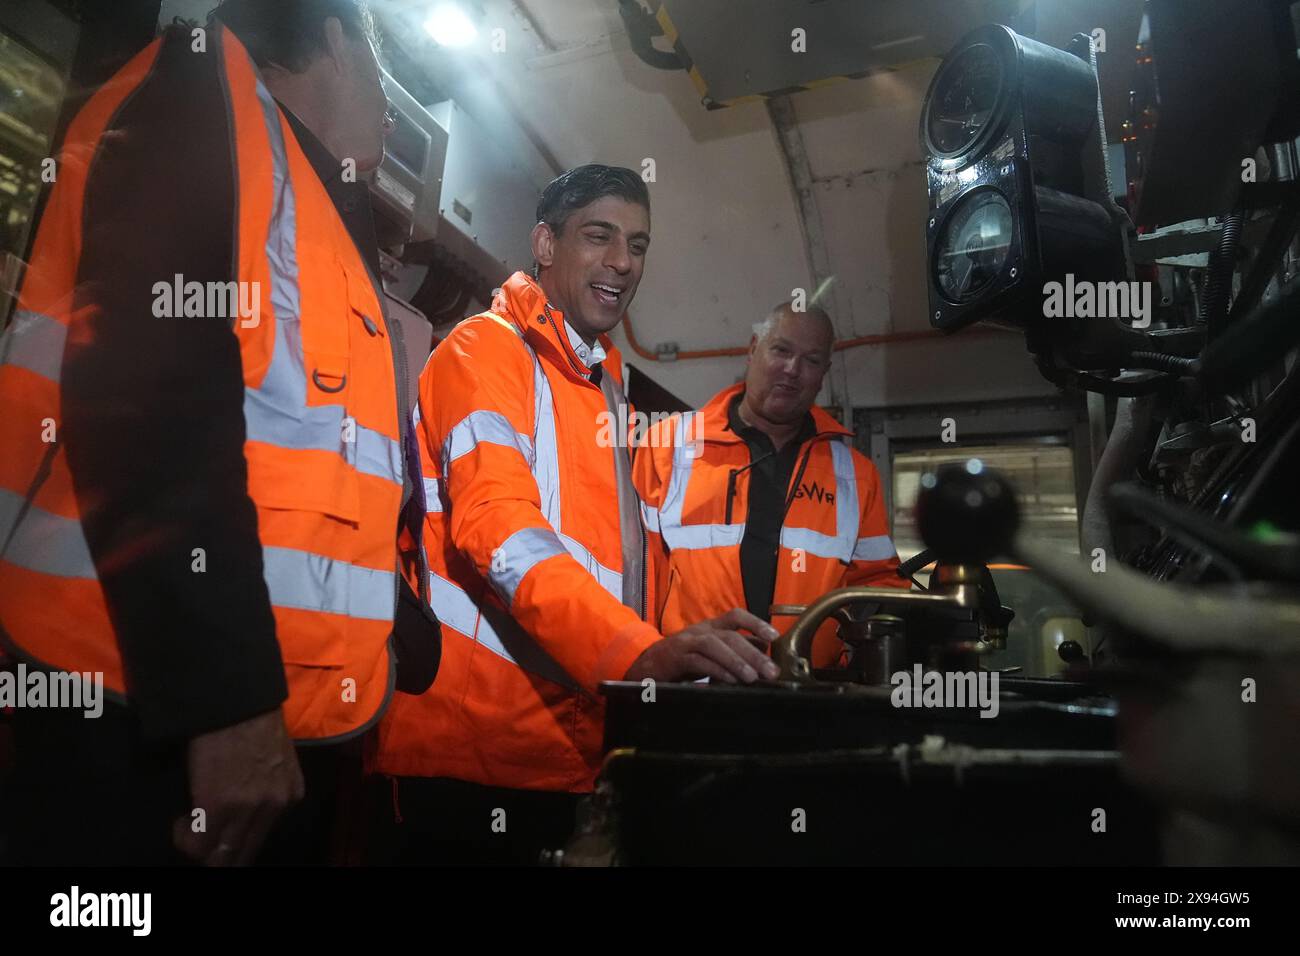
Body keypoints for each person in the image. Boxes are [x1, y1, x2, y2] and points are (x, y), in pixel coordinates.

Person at [0, 0, 439, 866]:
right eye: (384, 73)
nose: (392, 113)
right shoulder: (199, 94)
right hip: (140, 705)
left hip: (258, 718)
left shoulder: (309, 196)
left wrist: (395, 625)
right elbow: (152, 398)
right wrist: (225, 697)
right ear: (336, 41)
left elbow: (295, 456)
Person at [365, 164, 779, 865]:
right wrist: (633, 653)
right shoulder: (484, 351)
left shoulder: (604, 390)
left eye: (639, 245)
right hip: (473, 756)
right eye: (600, 236)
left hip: (570, 751)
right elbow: (498, 531)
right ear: (545, 244)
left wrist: (688, 658)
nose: (623, 261)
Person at [634, 302, 910, 670]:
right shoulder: (667, 446)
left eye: (811, 360)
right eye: (781, 350)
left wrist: (856, 663)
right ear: (752, 350)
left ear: (824, 374)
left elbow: (880, 587)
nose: (792, 370)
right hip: (693, 693)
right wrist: (651, 662)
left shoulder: (855, 474)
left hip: (809, 698)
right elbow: (637, 574)